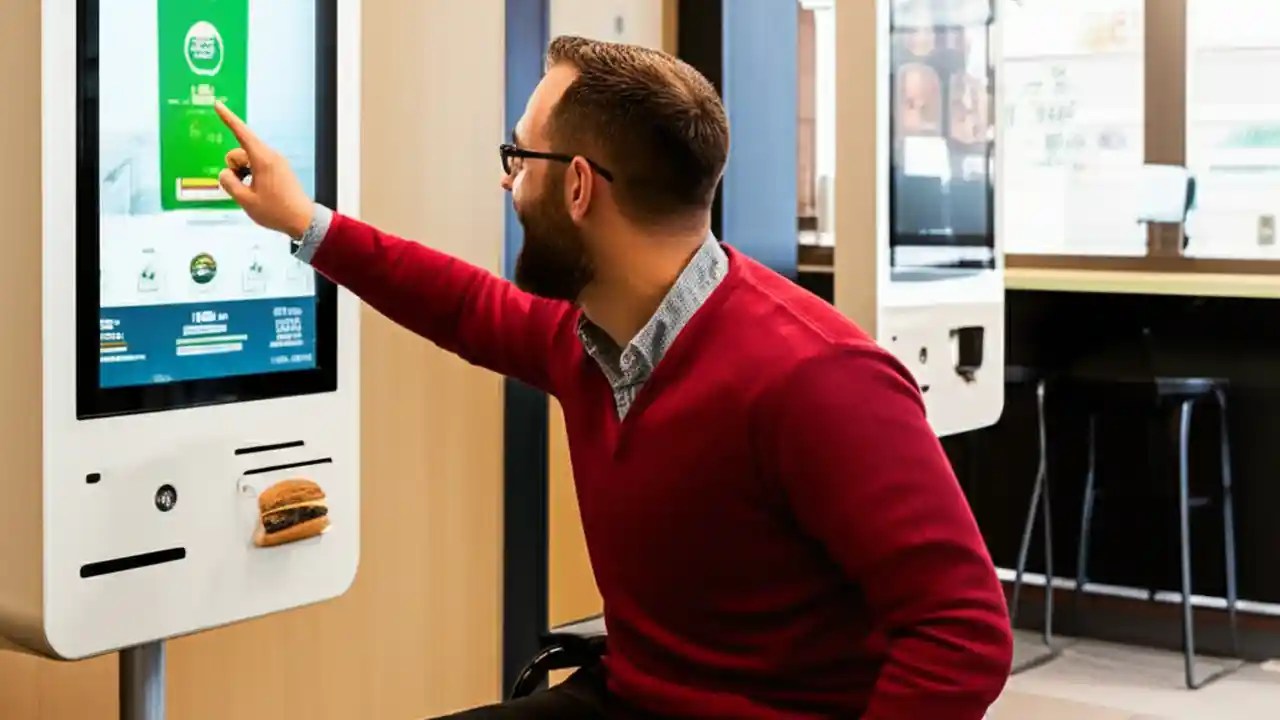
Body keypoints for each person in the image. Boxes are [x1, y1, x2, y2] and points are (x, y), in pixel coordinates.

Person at [214, 35, 1013, 720]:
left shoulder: (818, 377)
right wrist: (303, 222)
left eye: (516, 157)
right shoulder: (590, 338)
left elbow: (963, 631)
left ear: (577, 185)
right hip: (634, 697)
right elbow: (462, 306)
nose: (506, 182)